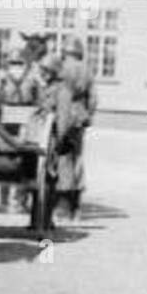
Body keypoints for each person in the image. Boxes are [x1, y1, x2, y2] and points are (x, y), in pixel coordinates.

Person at [0, 50, 42, 214]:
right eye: (14, 63)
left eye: (18, 63)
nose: (16, 67)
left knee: (24, 155)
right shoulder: (2, 78)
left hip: (23, 119)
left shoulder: (31, 79)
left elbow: (38, 101)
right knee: (7, 155)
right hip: (10, 118)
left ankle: (16, 200)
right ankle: (6, 200)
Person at [54, 35, 97, 222]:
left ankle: (61, 205)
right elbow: (93, 98)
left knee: (61, 158)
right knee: (77, 159)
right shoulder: (86, 70)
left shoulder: (61, 68)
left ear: (65, 51)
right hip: (79, 117)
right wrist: (88, 115)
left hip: (61, 115)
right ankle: (76, 207)